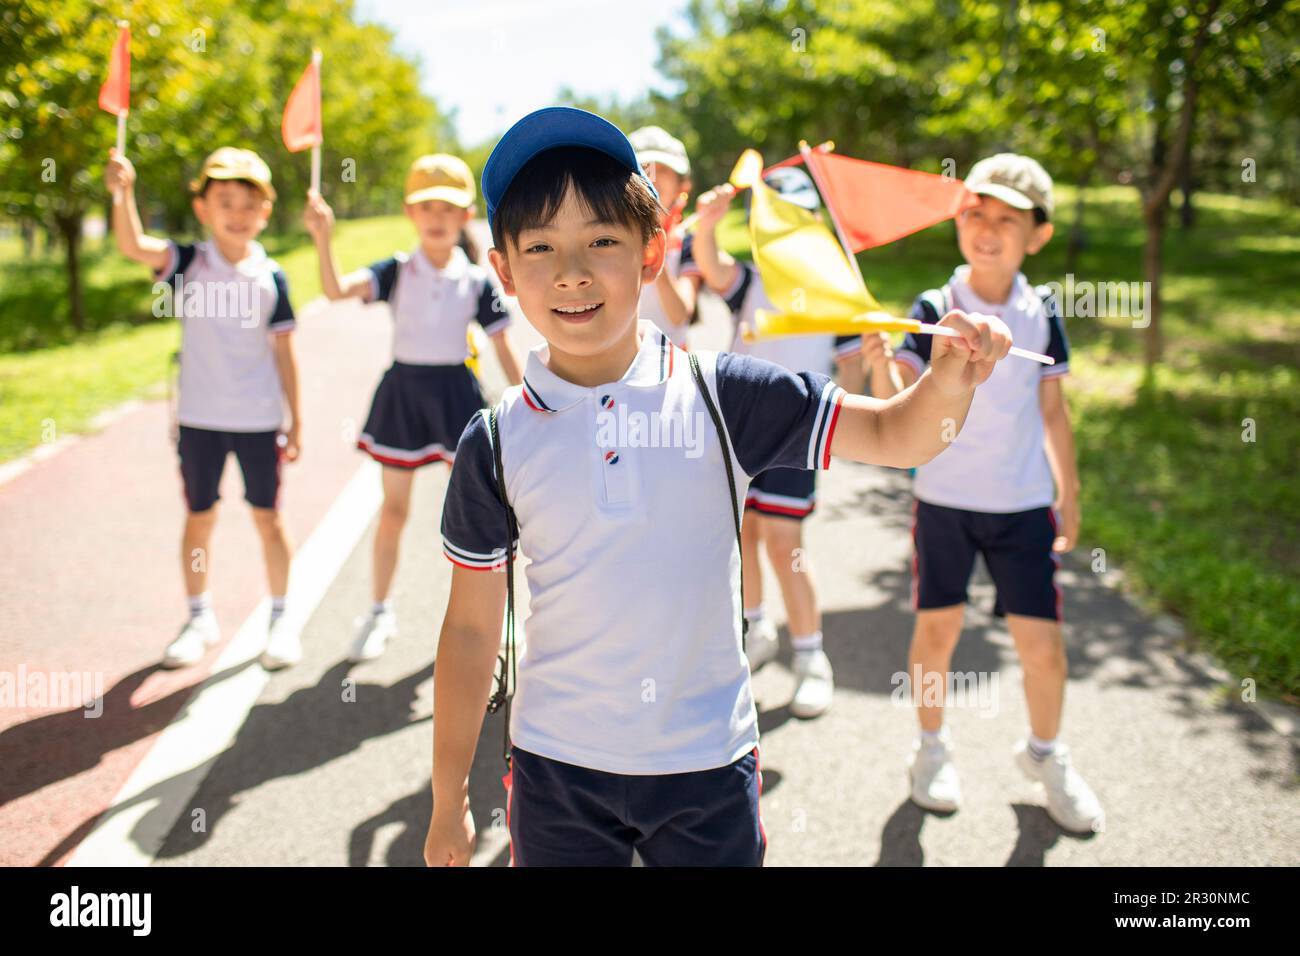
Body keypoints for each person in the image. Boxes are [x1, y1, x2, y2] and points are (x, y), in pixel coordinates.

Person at [423, 107, 1013, 867]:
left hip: (707, 760)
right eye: (540, 247)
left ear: (651, 252)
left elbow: (902, 438)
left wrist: (951, 381)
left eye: (602, 239)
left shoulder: (723, 394)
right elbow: (470, 632)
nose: (571, 271)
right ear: (503, 270)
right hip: (554, 765)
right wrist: (447, 802)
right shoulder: (496, 438)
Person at [866, 153, 1104, 834]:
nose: (988, 229)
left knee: (1044, 649)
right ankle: (931, 749)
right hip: (944, 502)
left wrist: (1071, 493)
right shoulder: (936, 308)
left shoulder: (1042, 313)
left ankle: (1046, 757)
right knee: (937, 632)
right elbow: (894, 407)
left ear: (1039, 234)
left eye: (1008, 218)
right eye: (976, 213)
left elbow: (1053, 412)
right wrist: (881, 361)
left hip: (1024, 507)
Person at [303, 154, 522, 661]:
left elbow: (505, 352)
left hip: (457, 398)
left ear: (467, 213)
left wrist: (534, 407)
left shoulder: (477, 279)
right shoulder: (396, 271)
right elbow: (335, 290)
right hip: (403, 395)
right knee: (394, 511)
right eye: (427, 207)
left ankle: (500, 618)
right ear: (410, 212)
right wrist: (321, 235)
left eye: (449, 207)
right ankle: (379, 612)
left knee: (486, 512)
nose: (438, 217)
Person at [105, 146, 303, 670]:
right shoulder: (188, 262)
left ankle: (281, 617)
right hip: (199, 421)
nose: (237, 214)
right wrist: (122, 192)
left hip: (260, 421)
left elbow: (285, 351)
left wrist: (296, 418)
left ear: (265, 212)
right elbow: (131, 244)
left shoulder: (272, 275)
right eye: (224, 201)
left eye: (248, 203)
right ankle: (198, 617)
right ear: (202, 208)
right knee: (200, 518)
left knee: (269, 518)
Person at [689, 166, 854, 719]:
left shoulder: (839, 289)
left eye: (798, 219)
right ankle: (755, 630)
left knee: (786, 543)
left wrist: (866, 361)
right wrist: (708, 224)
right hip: (737, 428)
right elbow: (711, 268)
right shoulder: (755, 278)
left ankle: (810, 657)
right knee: (745, 534)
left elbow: (853, 377)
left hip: (796, 433)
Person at [627, 126, 701, 348]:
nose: (653, 177)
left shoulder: (689, 242)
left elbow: (679, 314)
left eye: (664, 169)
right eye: (643, 167)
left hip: (672, 364)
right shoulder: (606, 236)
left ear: (683, 186)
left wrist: (651, 244)